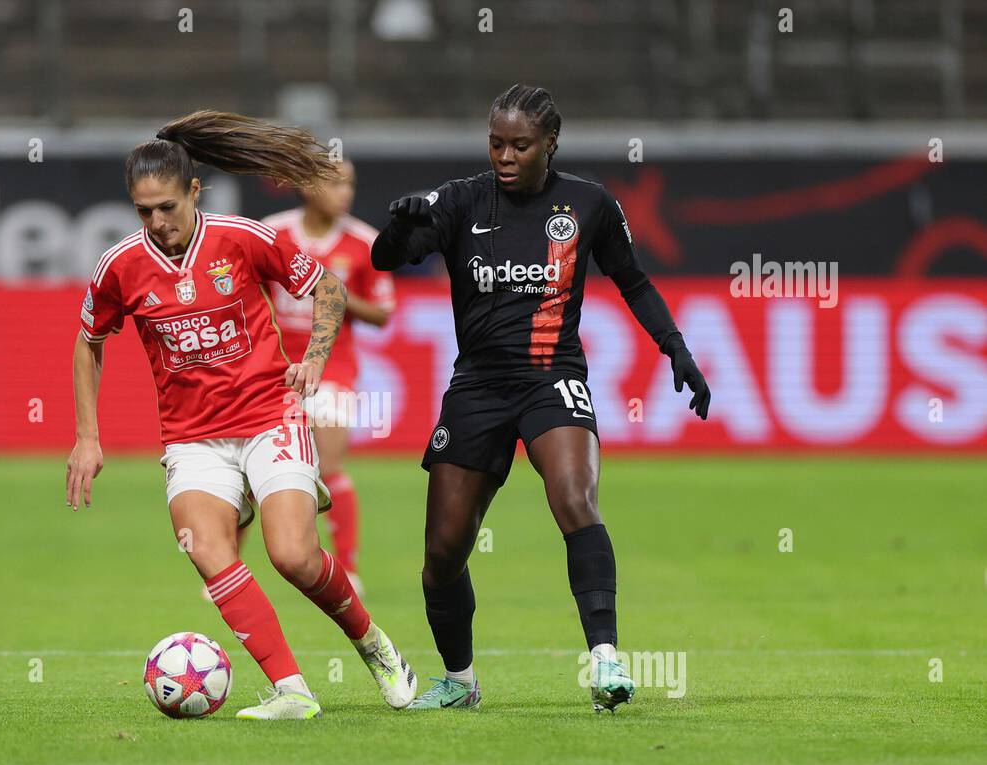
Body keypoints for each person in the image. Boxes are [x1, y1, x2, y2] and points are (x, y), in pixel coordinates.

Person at [371, 84, 711, 713]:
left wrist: (676, 347)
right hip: (477, 386)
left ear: (550, 145)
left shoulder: (588, 205)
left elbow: (633, 282)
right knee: (443, 551)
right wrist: (401, 224)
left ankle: (605, 658)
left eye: (520, 145)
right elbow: (385, 258)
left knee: (575, 500)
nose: (505, 155)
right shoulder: (460, 200)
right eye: (496, 143)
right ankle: (460, 680)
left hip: (552, 376)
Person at [66, 110, 417, 720]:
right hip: (192, 439)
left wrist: (313, 357)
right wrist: (86, 437)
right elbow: (89, 341)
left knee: (292, 557)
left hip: (268, 417)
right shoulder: (121, 266)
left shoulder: (242, 238)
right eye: (143, 211)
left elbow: (327, 288)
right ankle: (293, 691)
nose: (156, 223)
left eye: (167, 208)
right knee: (207, 550)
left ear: (194, 192)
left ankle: (375, 647)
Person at [263, 158, 396, 596]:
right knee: (256, 467)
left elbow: (381, 313)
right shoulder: (274, 232)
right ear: (306, 187)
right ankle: (229, 564)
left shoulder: (364, 242)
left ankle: (349, 567)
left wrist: (331, 291)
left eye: (350, 185)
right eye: (335, 184)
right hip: (275, 369)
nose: (346, 193)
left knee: (329, 465)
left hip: (333, 371)